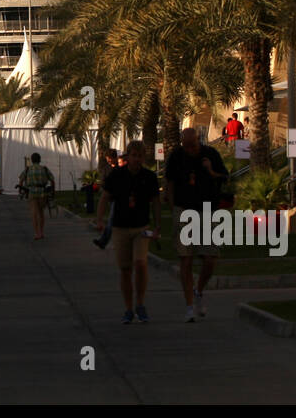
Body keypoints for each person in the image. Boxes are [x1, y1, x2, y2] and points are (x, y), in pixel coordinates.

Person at [164, 127, 229, 322]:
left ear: (198, 141)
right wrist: (172, 205)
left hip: (208, 209)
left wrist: (210, 170)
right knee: (186, 258)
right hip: (184, 209)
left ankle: (199, 290)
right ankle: (189, 305)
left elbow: (224, 176)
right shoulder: (176, 156)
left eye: (191, 145)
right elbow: (170, 182)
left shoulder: (211, 154)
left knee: (210, 258)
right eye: (185, 145)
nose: (189, 149)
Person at [95, 141, 161, 324]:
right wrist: (100, 219)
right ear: (128, 156)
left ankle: (140, 304)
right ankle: (129, 308)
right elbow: (105, 197)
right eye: (133, 155)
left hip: (141, 227)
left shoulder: (149, 177)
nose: (136, 159)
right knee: (125, 269)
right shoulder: (117, 175)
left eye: (140, 156)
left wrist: (157, 225)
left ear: (143, 157)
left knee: (140, 263)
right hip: (120, 227)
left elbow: (155, 201)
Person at [18, 152, 54, 241]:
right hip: (42, 192)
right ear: (40, 160)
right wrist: (53, 191)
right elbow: (52, 180)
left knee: (34, 213)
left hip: (32, 192)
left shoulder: (28, 169)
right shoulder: (44, 169)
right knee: (41, 213)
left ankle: (37, 233)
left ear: (32, 160)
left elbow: (21, 180)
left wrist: (21, 191)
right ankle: (41, 232)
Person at [92, 147, 120, 250]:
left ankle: (103, 241)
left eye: (110, 158)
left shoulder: (120, 168)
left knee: (112, 219)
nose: (109, 160)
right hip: (110, 196)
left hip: (117, 198)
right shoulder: (106, 169)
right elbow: (103, 182)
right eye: (107, 158)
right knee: (113, 219)